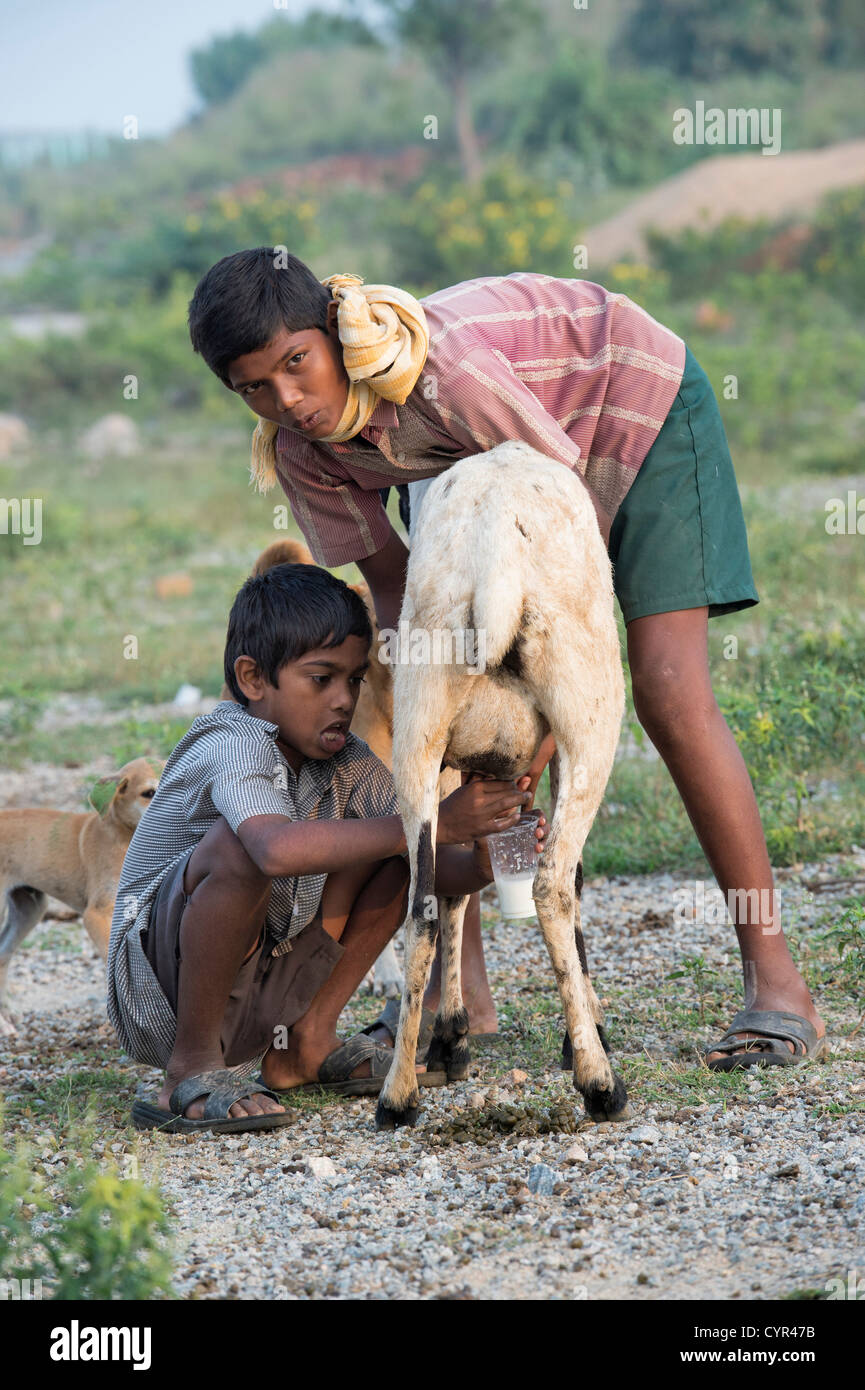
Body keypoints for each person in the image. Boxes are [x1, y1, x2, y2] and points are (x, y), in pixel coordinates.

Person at [186, 251, 827, 1072]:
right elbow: (397, 599)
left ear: (332, 336)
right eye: (254, 388)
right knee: (448, 714)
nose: (289, 400)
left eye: (296, 365)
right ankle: (465, 999)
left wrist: (549, 716)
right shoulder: (304, 454)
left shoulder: (441, 376)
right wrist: (462, 719)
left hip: (626, 414)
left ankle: (777, 985)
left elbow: (564, 550)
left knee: (666, 691)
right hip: (486, 481)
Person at [106, 563, 540, 1134]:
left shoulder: (346, 759)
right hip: (160, 996)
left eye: (355, 680)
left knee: (398, 848)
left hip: (264, 990)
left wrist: (477, 860)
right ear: (253, 679)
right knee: (245, 847)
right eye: (321, 679)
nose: (343, 699)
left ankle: (303, 1046)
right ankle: (187, 1073)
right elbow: (273, 850)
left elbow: (423, 863)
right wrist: (433, 825)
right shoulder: (232, 741)